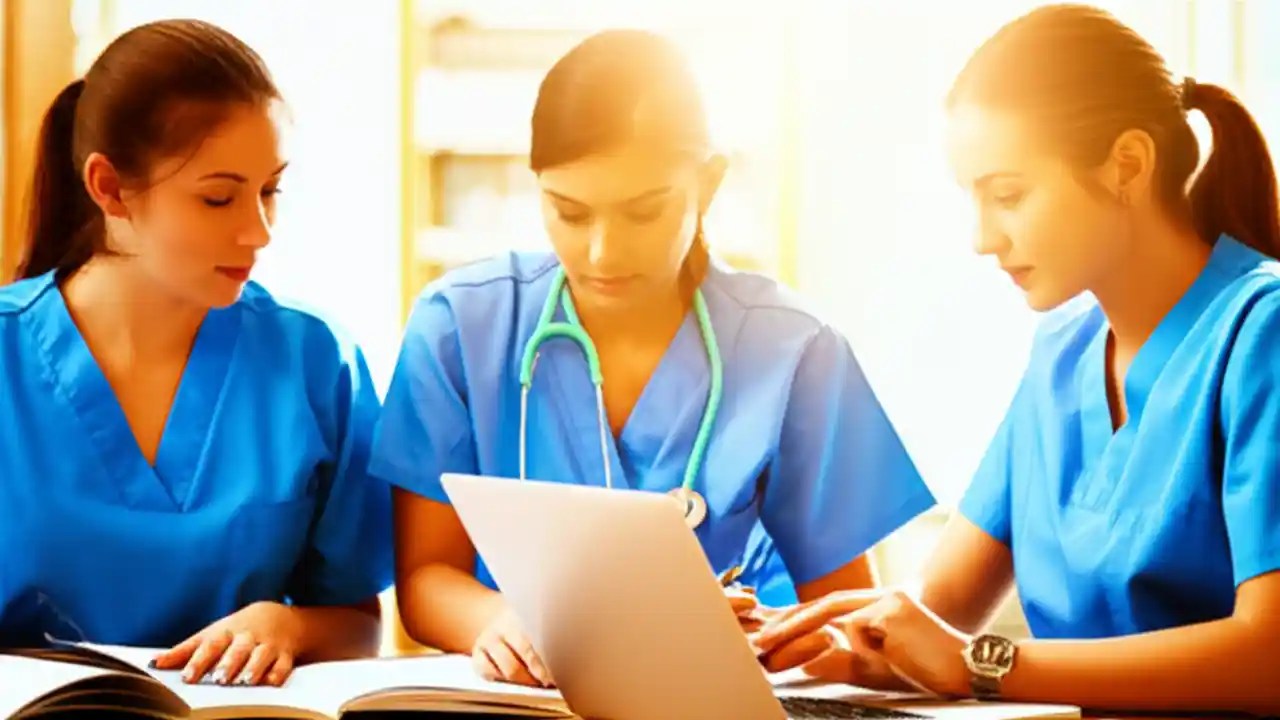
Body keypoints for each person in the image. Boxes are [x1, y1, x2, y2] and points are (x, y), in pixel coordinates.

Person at [751, 4, 1280, 715]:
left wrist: (981, 665)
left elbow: (1268, 655)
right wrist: (793, 641)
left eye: (1008, 195)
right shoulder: (1061, 355)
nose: (981, 238)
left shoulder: (1261, 333)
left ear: (1127, 164)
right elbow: (934, 616)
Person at [370, 29, 935, 688]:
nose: (603, 252)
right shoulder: (459, 329)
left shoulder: (798, 353)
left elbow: (849, 625)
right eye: (569, 212)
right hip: (531, 694)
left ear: (709, 184)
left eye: (643, 212)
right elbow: (426, 580)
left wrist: (767, 642)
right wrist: (500, 621)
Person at [0, 19, 393, 687]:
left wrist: (289, 625)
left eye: (270, 190)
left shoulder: (313, 363)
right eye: (218, 197)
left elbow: (359, 621)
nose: (258, 231)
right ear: (109, 187)